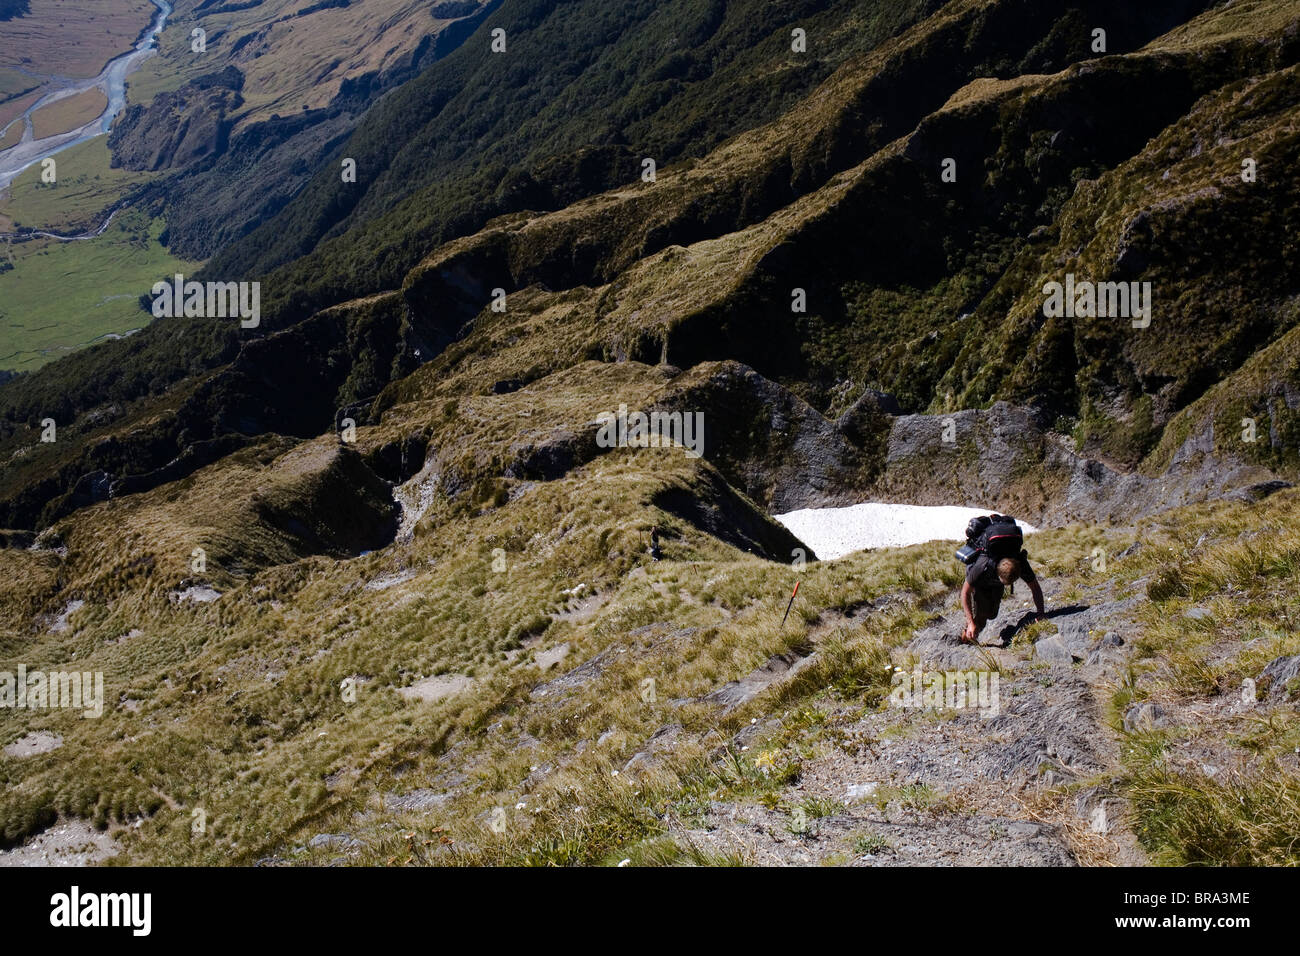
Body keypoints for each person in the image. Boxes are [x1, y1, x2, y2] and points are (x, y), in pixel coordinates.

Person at [960, 550, 1044, 644]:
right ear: (998, 573)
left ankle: (972, 633)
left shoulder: (1021, 564)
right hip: (981, 583)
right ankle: (966, 640)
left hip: (995, 583)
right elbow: (965, 593)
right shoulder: (982, 566)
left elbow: (1035, 587)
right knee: (981, 614)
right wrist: (970, 622)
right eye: (1005, 583)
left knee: (992, 614)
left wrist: (1041, 613)